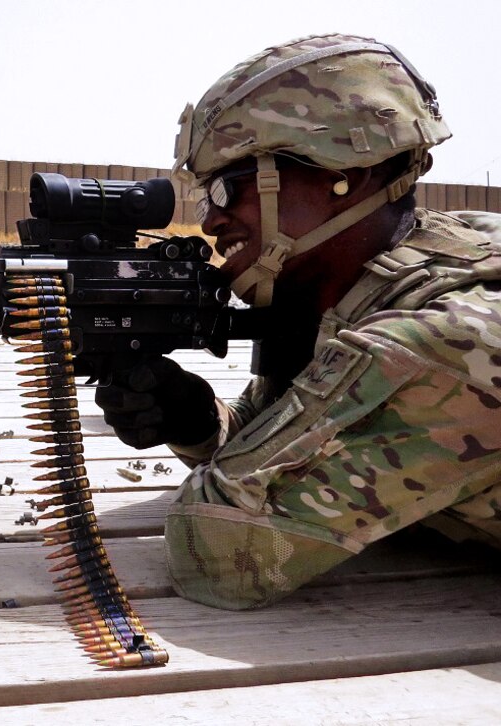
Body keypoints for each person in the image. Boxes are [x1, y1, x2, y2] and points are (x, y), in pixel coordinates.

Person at [95, 33, 501, 609]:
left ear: (347, 175)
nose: (211, 221)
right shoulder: (375, 284)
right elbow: (292, 449)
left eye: (226, 188)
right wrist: (197, 423)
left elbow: (222, 550)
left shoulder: (441, 338)